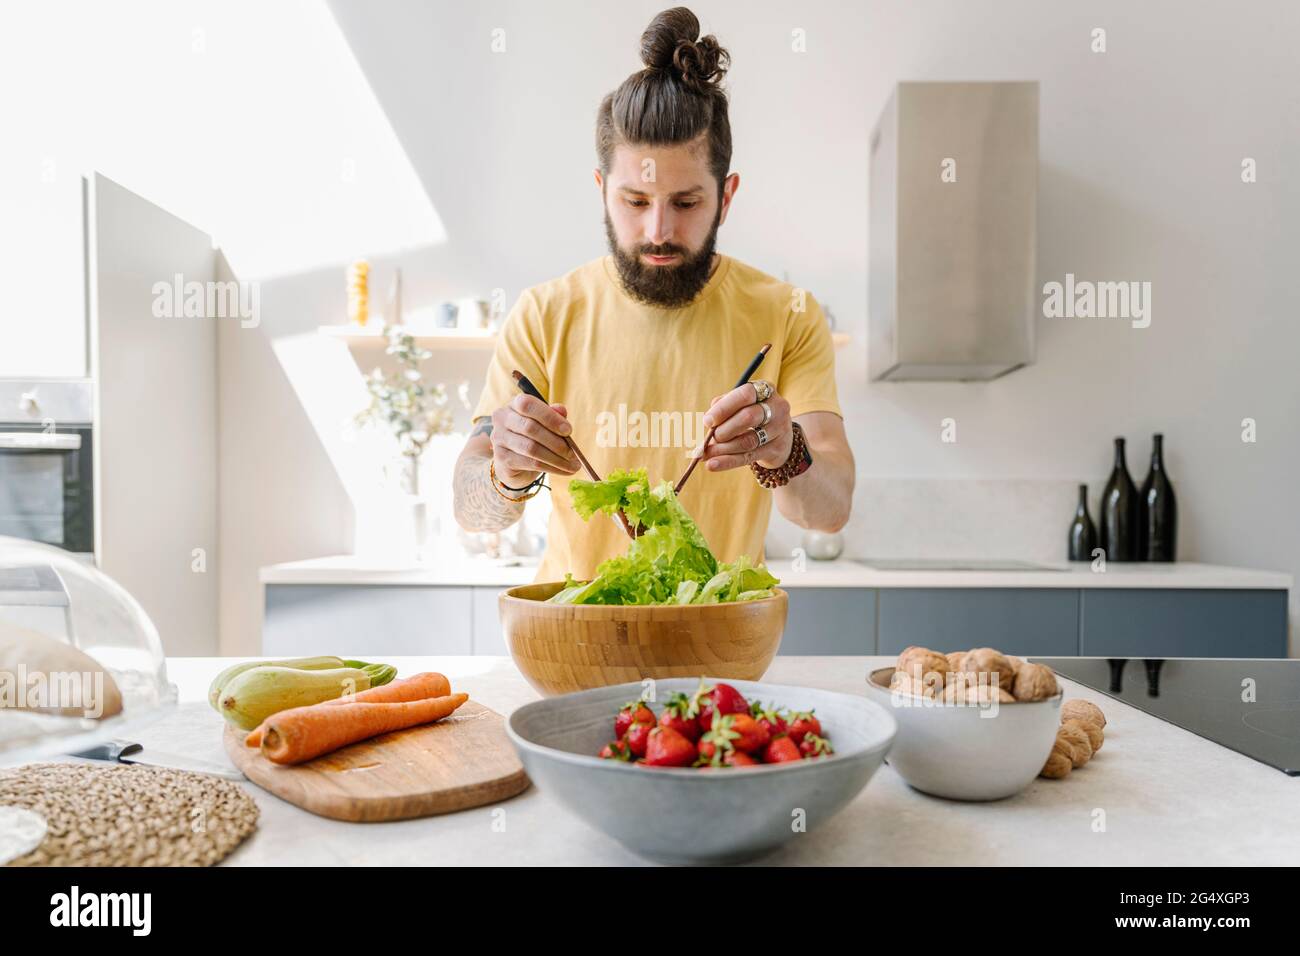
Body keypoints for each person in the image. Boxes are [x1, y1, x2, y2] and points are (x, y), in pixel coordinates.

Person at [454, 6, 854, 583]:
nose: (659, 231)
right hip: (578, 643)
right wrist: (505, 473)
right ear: (601, 191)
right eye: (635, 202)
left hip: (718, 645)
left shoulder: (787, 314)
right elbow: (472, 512)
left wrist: (783, 450)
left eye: (686, 203)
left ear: (727, 196)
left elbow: (830, 511)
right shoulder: (543, 314)